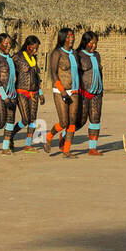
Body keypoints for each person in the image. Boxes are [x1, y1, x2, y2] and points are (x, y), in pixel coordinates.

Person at [45, 27, 81, 157]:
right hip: (61, 91)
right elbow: (53, 73)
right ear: (63, 38)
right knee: (64, 122)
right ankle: (49, 136)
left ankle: (66, 151)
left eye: (72, 36)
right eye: (69, 37)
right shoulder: (57, 53)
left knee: (72, 122)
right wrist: (62, 91)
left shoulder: (75, 53)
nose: (72, 39)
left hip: (75, 90)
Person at [13, 36, 45, 152]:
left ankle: (28, 145)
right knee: (25, 119)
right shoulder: (17, 57)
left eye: (37, 48)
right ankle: (11, 135)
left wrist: (40, 93)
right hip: (21, 91)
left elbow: (37, 77)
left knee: (33, 119)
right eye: (33, 48)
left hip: (34, 92)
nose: (35, 50)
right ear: (27, 46)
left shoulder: (34, 59)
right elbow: (10, 72)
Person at [76, 31, 106, 156]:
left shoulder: (97, 55)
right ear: (85, 42)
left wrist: (102, 87)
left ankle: (92, 148)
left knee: (95, 119)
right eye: (91, 43)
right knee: (81, 120)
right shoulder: (78, 55)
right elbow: (75, 74)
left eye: (95, 43)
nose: (93, 45)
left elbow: (99, 72)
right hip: (83, 94)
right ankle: (65, 136)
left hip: (97, 93)